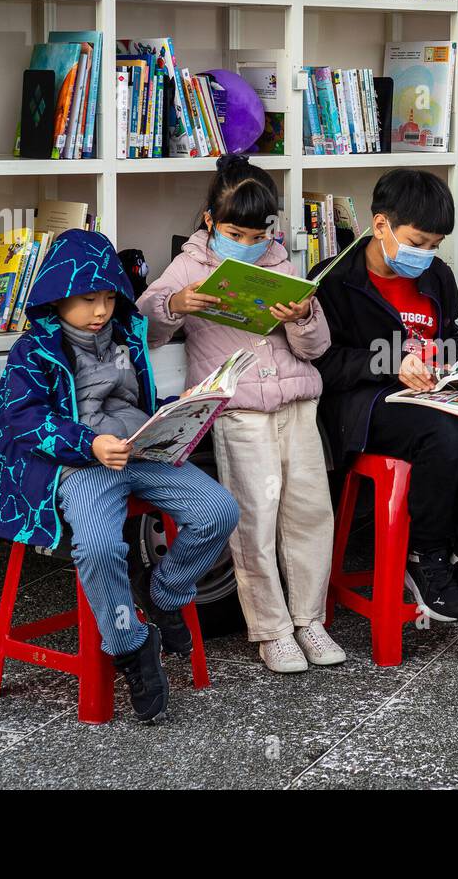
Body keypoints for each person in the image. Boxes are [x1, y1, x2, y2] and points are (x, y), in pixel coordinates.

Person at [0, 229, 240, 723]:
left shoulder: (128, 335)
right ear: (57, 295)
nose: (101, 310)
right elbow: (20, 420)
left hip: (143, 450)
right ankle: (132, 648)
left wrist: (183, 412)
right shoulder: (33, 351)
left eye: (108, 297)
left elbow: (137, 402)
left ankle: (166, 590)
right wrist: (88, 444)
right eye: (88, 300)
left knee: (219, 510)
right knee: (100, 548)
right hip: (83, 465)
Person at [138, 154, 342, 675]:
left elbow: (316, 349)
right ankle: (272, 629)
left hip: (297, 404)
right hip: (238, 411)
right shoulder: (190, 264)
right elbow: (145, 328)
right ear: (209, 221)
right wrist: (175, 304)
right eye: (236, 233)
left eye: (257, 235)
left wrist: (305, 316)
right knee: (254, 519)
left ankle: (310, 621)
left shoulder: (281, 261)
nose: (249, 244)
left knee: (311, 513)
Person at [312, 169, 458, 639]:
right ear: (380, 225)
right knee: (443, 437)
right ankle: (425, 555)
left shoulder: (437, 277)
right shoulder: (336, 281)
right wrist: (390, 366)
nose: (424, 255)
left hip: (433, 391)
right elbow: (322, 363)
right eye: (417, 241)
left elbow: (448, 339)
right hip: (367, 404)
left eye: (434, 245)